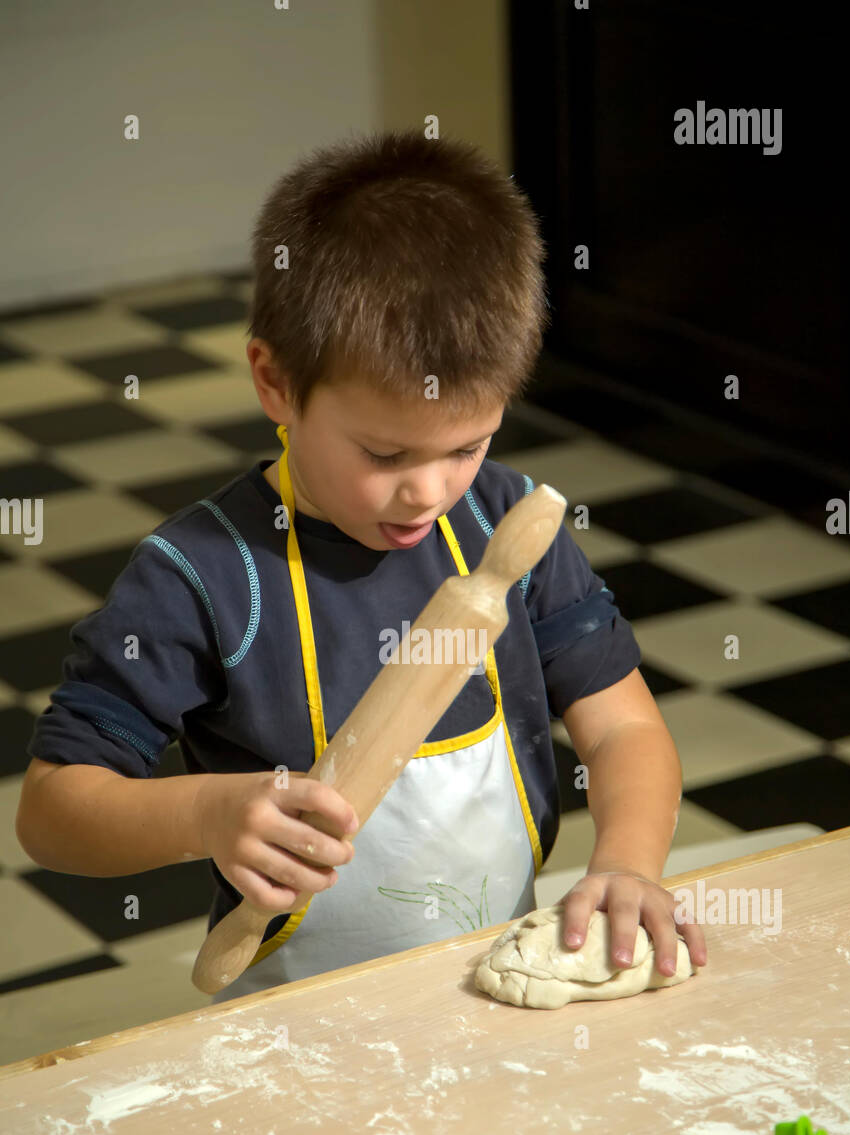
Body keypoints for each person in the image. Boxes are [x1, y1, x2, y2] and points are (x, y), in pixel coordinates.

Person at [16, 130, 706, 1001]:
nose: (427, 491)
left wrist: (629, 864)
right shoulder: (201, 574)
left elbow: (625, 732)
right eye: (384, 453)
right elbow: (52, 813)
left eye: (468, 445)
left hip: (491, 992)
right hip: (294, 1020)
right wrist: (207, 813)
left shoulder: (507, 527)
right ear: (274, 383)